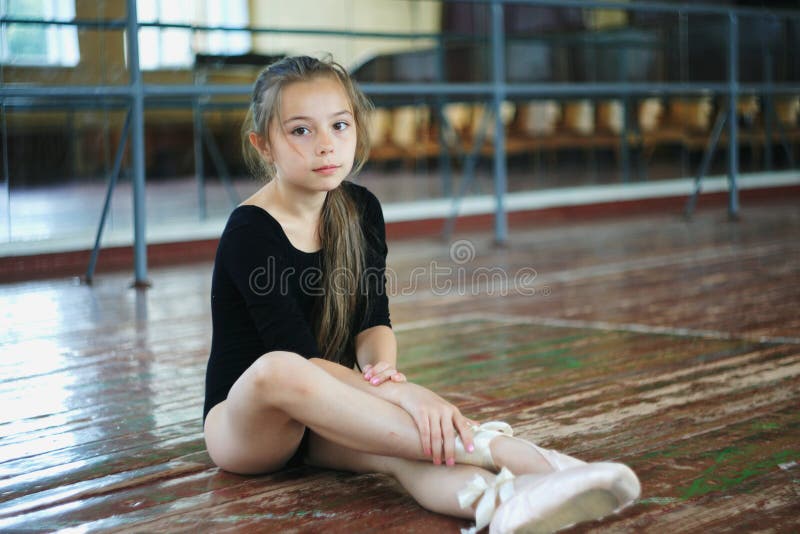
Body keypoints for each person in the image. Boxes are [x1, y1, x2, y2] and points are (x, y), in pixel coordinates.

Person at [202, 55, 640, 533]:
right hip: (250, 428)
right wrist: (404, 395)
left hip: (325, 407)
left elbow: (373, 317)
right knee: (278, 368)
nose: (325, 145)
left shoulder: (360, 209)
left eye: (340, 125)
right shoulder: (250, 230)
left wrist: (382, 376)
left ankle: (507, 500)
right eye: (301, 131)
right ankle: (512, 452)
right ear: (264, 145)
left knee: (407, 456)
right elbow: (300, 359)